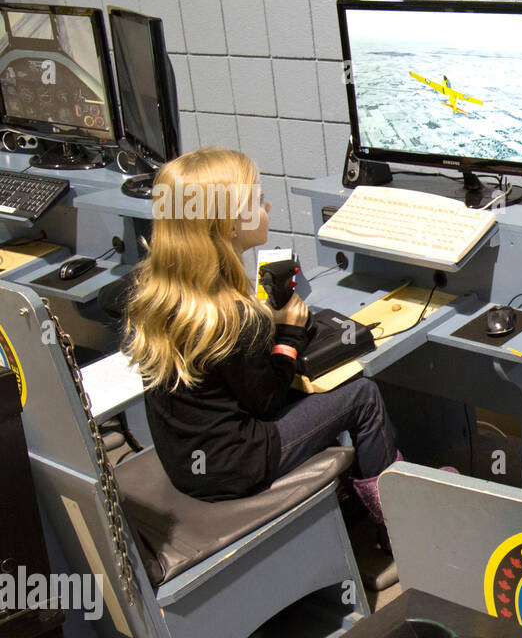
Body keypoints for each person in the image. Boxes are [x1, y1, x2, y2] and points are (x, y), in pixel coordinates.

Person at [123, 147, 398, 518]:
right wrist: (290, 334)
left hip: (186, 466)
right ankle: (393, 519)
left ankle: (348, 499)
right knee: (362, 395)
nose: (267, 208)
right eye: (257, 200)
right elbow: (267, 401)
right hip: (236, 467)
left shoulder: (156, 294)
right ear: (229, 224)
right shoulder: (232, 318)